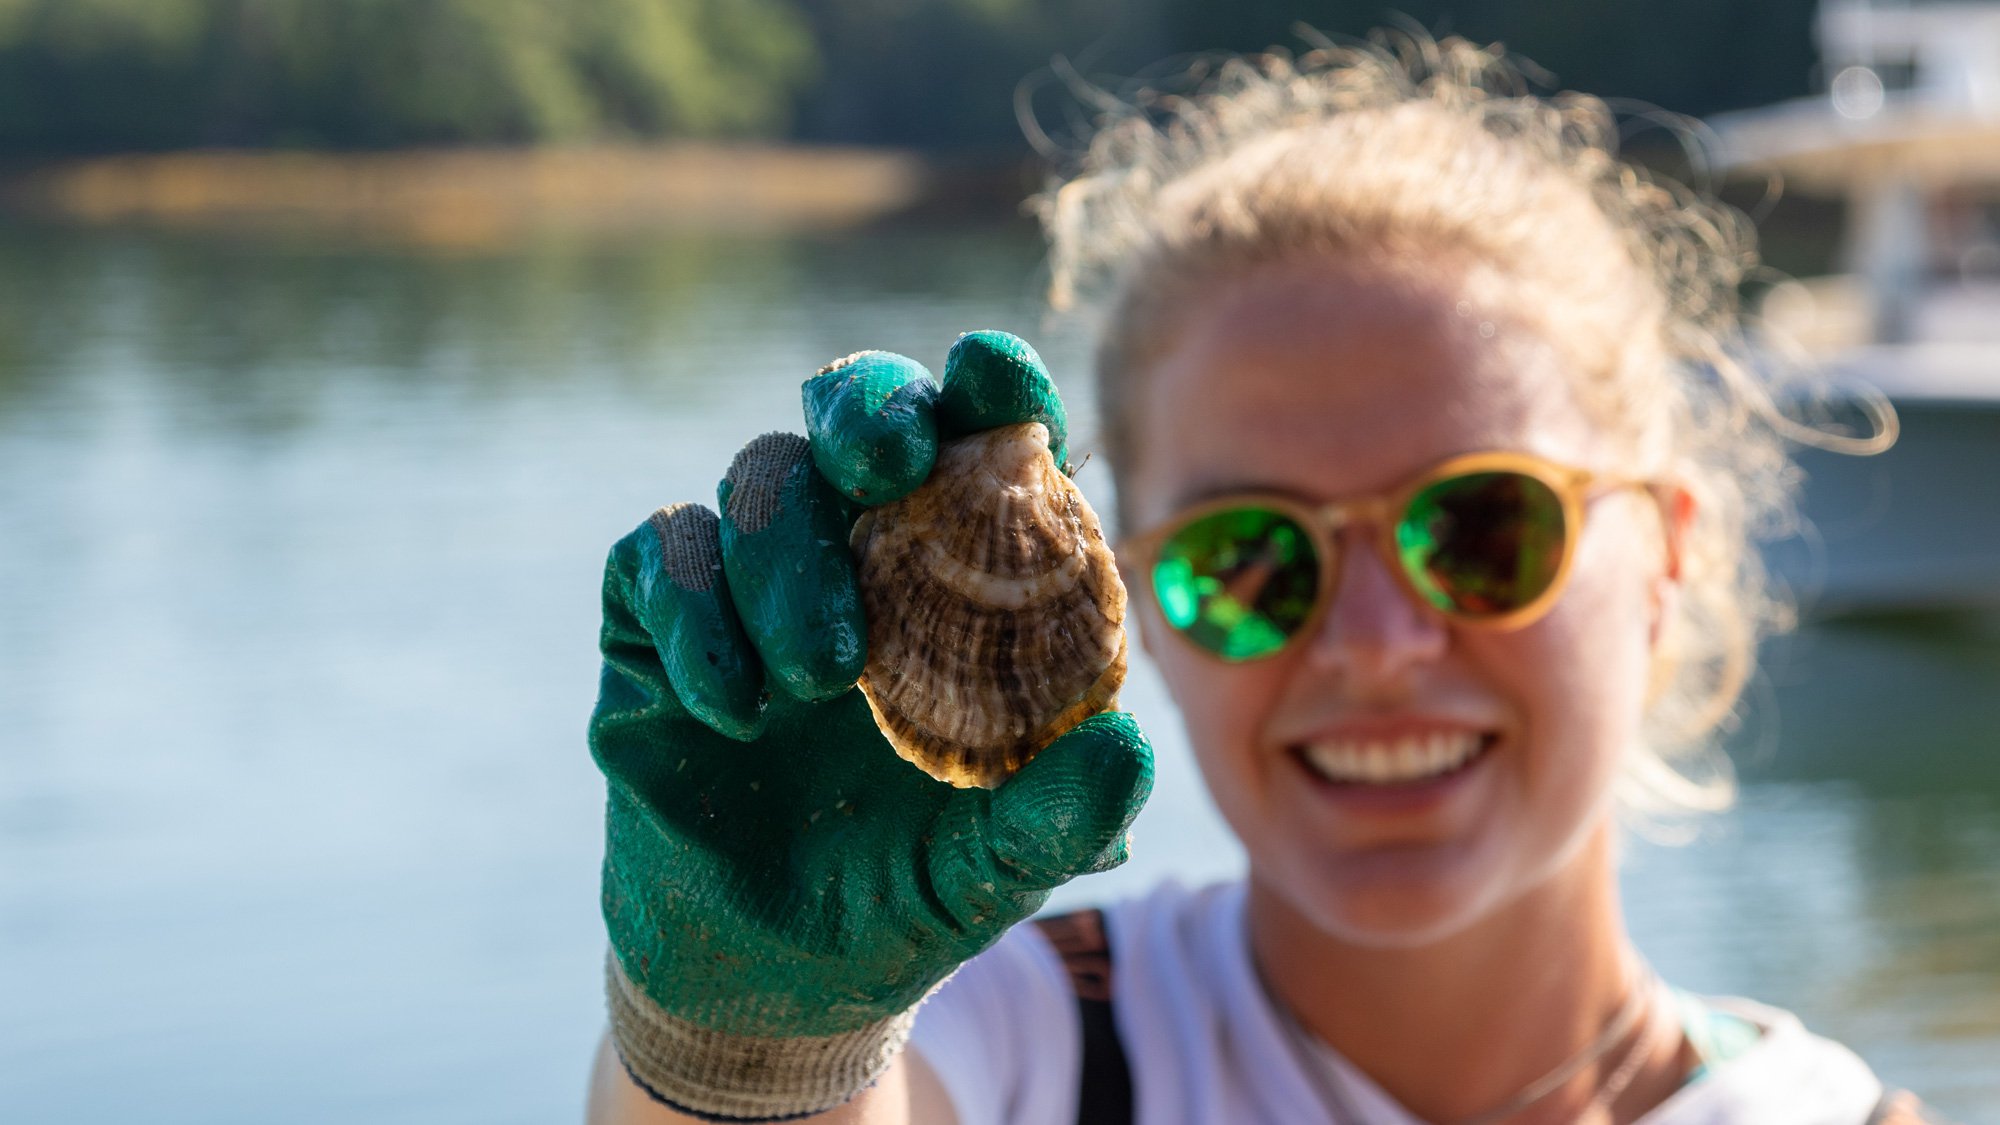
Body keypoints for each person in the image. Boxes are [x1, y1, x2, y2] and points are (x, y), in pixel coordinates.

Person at [581, 34, 1940, 1125]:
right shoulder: (1008, 1043)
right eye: (1245, 557)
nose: (1374, 641)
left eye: (1481, 531)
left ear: (1668, 551)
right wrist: (747, 1061)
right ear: (1138, 609)